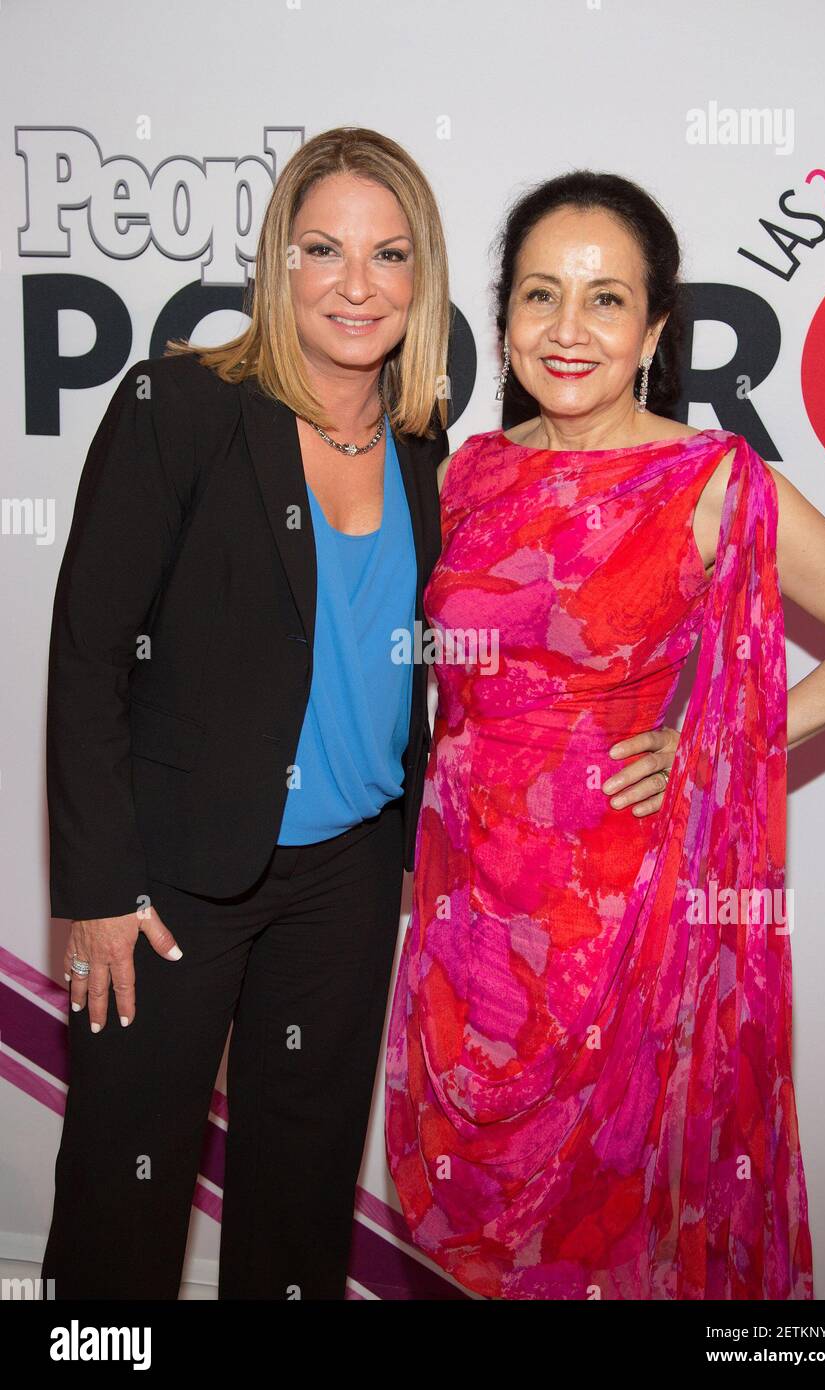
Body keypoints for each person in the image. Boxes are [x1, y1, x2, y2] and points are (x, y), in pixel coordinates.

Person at [384, 170, 825, 1300]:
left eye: (605, 299)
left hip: (623, 934)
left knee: (612, 1237)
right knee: (477, 1234)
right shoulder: (468, 472)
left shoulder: (707, 480)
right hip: (467, 919)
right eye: (540, 295)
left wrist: (724, 742)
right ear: (503, 318)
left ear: (654, 330)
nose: (568, 329)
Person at [40, 126, 451, 1300]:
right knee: (123, 1194)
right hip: (173, 880)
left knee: (302, 1196)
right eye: (325, 249)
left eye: (388, 254)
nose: (356, 284)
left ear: (420, 277)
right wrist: (97, 890)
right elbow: (88, 653)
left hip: (350, 877)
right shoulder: (181, 404)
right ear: (280, 262)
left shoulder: (423, 444)